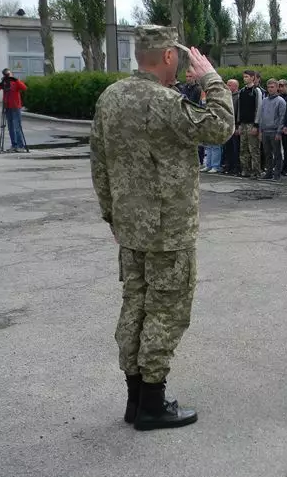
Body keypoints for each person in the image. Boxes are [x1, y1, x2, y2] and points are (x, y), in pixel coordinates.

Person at [89, 25, 234, 430]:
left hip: (131, 229)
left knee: (135, 304)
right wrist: (211, 79)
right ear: (169, 57)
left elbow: (98, 162)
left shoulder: (111, 98)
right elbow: (221, 126)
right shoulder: (166, 102)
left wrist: (111, 216)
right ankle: (153, 403)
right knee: (166, 310)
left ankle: (135, 400)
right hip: (169, 229)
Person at [258, 78, 287, 180]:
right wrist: (260, 131)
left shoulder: (280, 101)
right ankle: (269, 172)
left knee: (277, 153)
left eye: (272, 87)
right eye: (269, 87)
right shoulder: (264, 101)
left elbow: (282, 117)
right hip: (265, 131)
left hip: (274, 131)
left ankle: (277, 173)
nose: (270, 89)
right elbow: (261, 116)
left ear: (277, 88)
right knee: (267, 153)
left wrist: (279, 132)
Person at [0, 68, 28, 152]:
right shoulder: (4, 83)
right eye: (6, 74)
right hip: (7, 107)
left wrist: (16, 80)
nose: (8, 76)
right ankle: (14, 145)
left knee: (17, 127)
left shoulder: (15, 82)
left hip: (15, 107)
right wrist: (2, 83)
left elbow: (24, 88)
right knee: (10, 127)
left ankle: (20, 146)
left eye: (9, 74)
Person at [238, 70, 263, 178]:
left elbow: (259, 108)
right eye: (244, 77)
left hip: (252, 124)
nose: (245, 79)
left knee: (253, 149)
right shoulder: (242, 91)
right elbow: (240, 108)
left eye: (247, 77)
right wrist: (239, 123)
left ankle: (256, 170)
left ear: (253, 78)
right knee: (243, 148)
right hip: (243, 124)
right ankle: (245, 169)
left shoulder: (256, 91)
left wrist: (256, 125)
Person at [221, 78, 241, 175]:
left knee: (235, 148)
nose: (227, 86)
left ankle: (235, 167)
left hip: (235, 125)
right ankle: (228, 166)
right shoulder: (226, 96)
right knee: (227, 148)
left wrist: (237, 125)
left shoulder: (238, 97)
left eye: (229, 85)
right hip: (227, 125)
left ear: (235, 86)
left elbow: (238, 112)